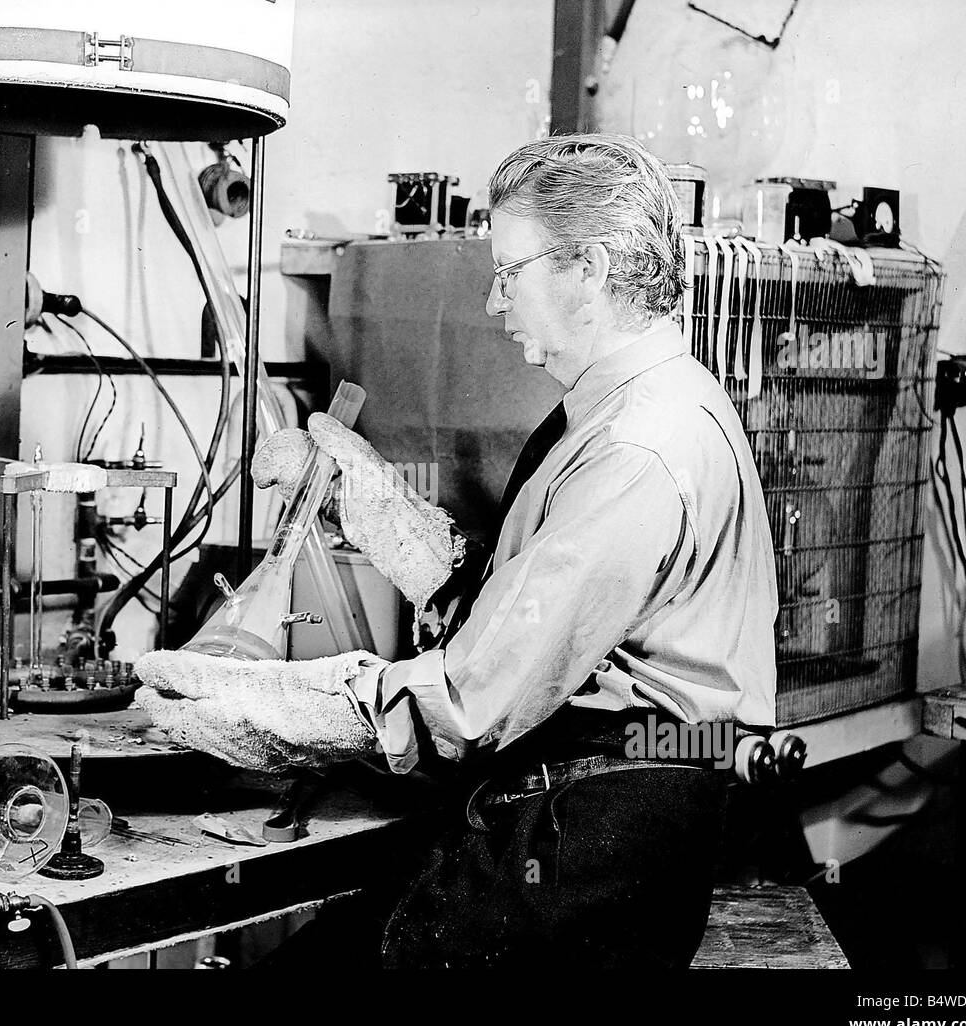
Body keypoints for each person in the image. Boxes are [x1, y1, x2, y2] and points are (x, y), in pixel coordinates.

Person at [134, 132, 778, 968]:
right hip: (577, 809)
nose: (493, 299)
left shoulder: (636, 449)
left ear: (588, 269)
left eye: (509, 271)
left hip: (593, 843)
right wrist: (375, 505)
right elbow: (525, 607)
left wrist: (271, 706)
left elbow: (472, 700)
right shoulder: (631, 404)